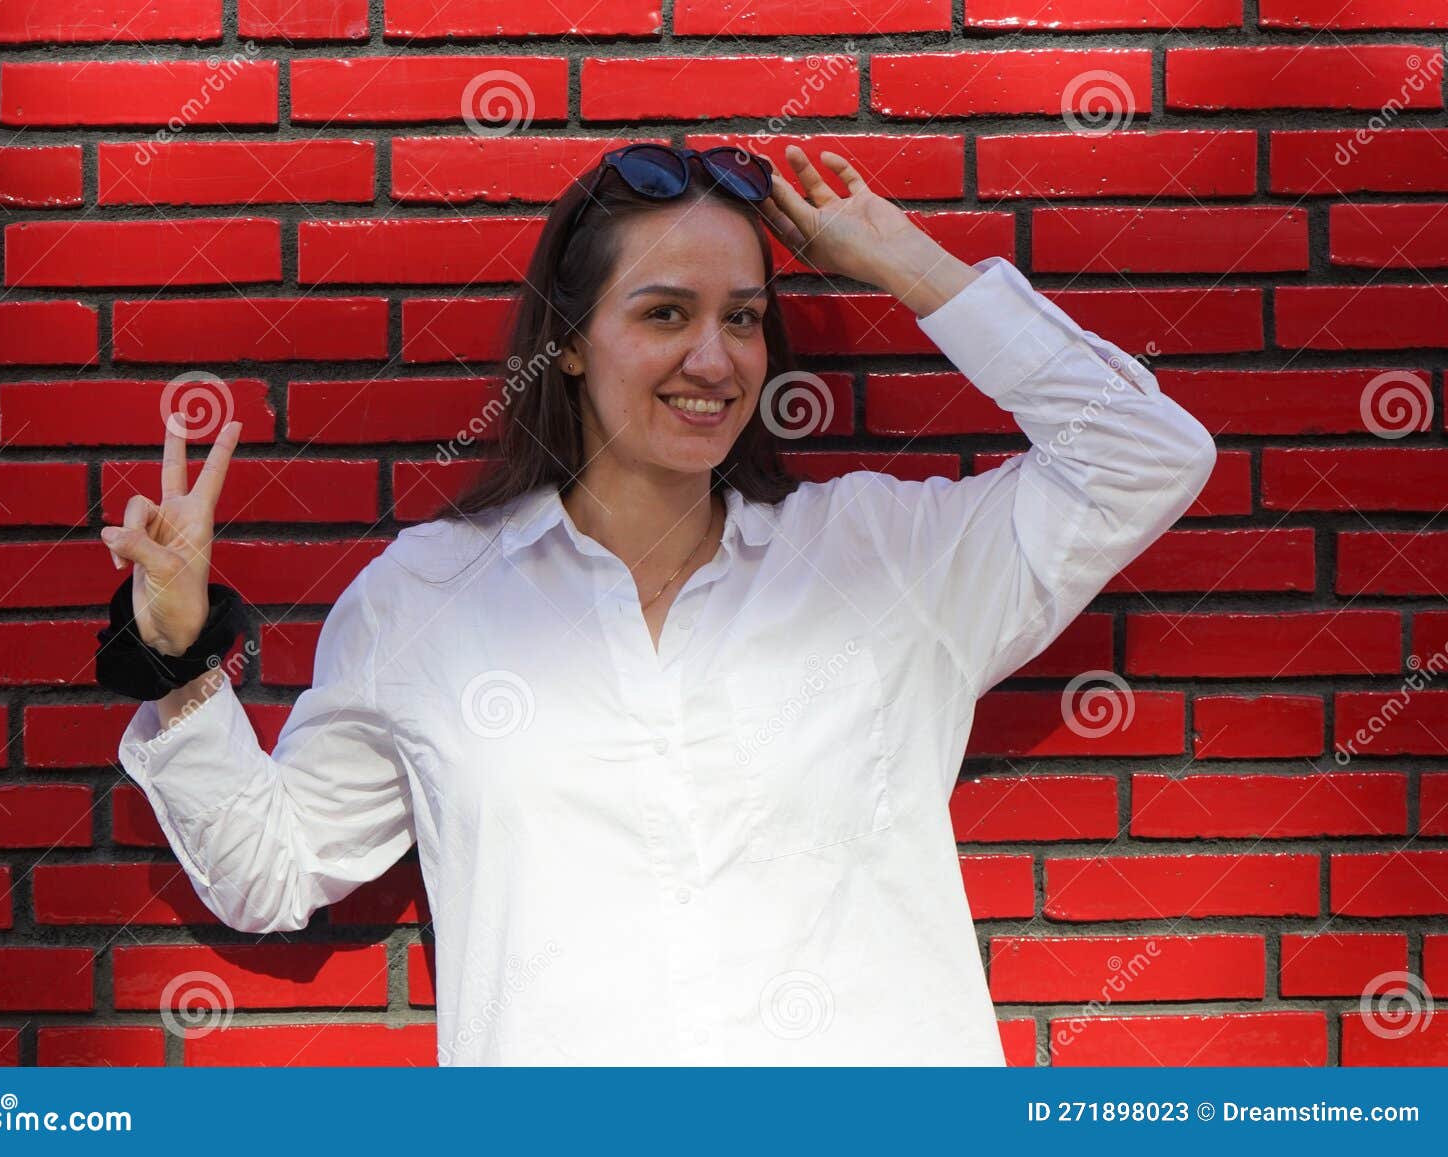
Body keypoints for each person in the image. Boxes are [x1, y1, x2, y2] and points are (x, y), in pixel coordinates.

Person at [100, 143, 1218, 1066]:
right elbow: (272, 868)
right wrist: (176, 648)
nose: (714, 356)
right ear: (571, 345)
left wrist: (913, 267)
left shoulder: (886, 558)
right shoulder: (428, 597)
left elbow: (1144, 456)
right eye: (666, 312)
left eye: (744, 316)